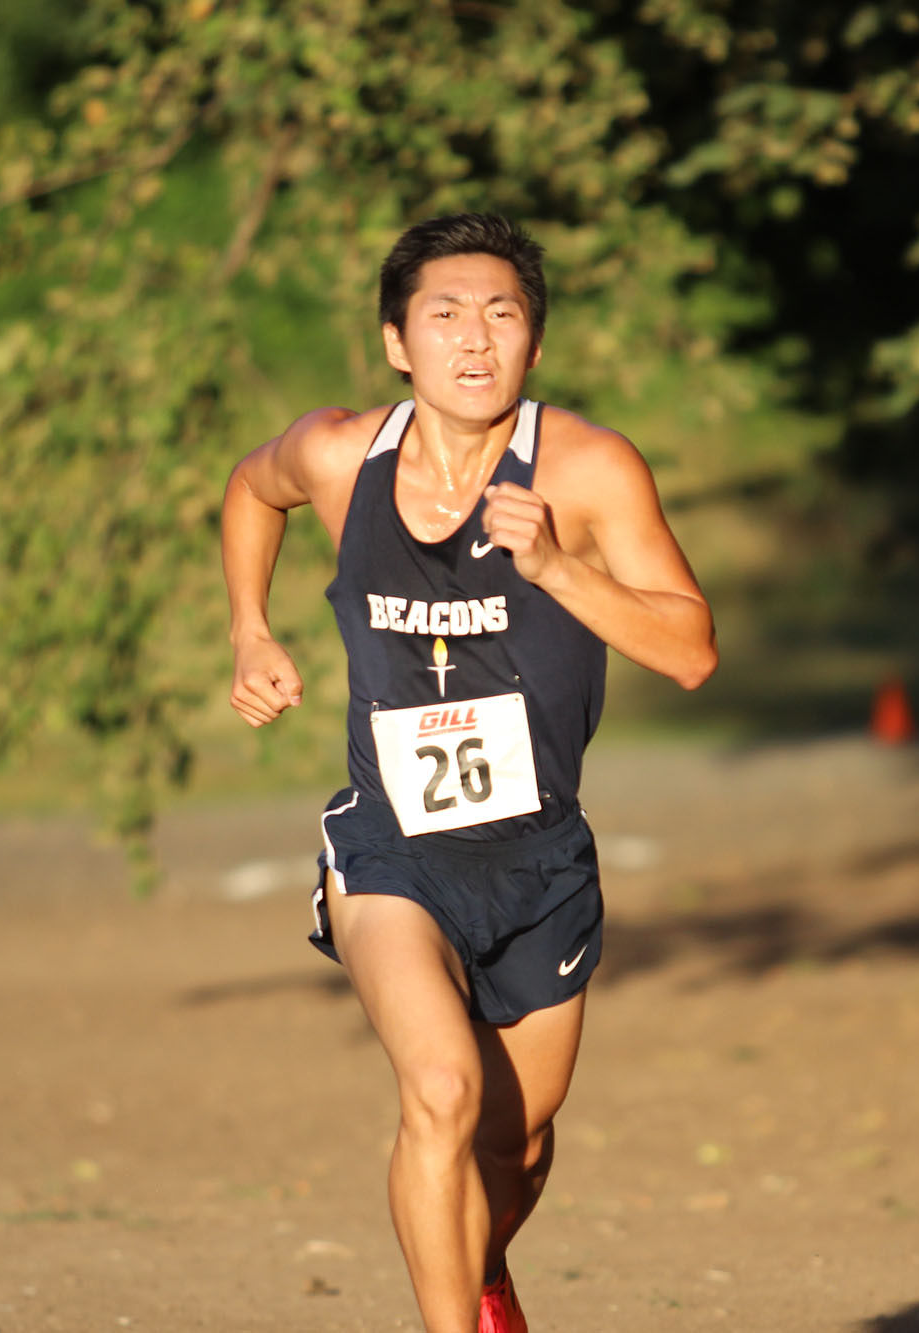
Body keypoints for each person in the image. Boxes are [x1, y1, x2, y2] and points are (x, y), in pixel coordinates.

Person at [220, 213, 716, 1333]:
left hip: (538, 860)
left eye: (501, 314)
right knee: (439, 1088)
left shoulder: (586, 469)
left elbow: (689, 650)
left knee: (516, 1142)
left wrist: (551, 564)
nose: (473, 339)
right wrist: (251, 630)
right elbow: (251, 490)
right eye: (444, 314)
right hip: (392, 851)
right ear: (398, 340)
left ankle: (478, 1272)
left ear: (533, 343)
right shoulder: (343, 455)